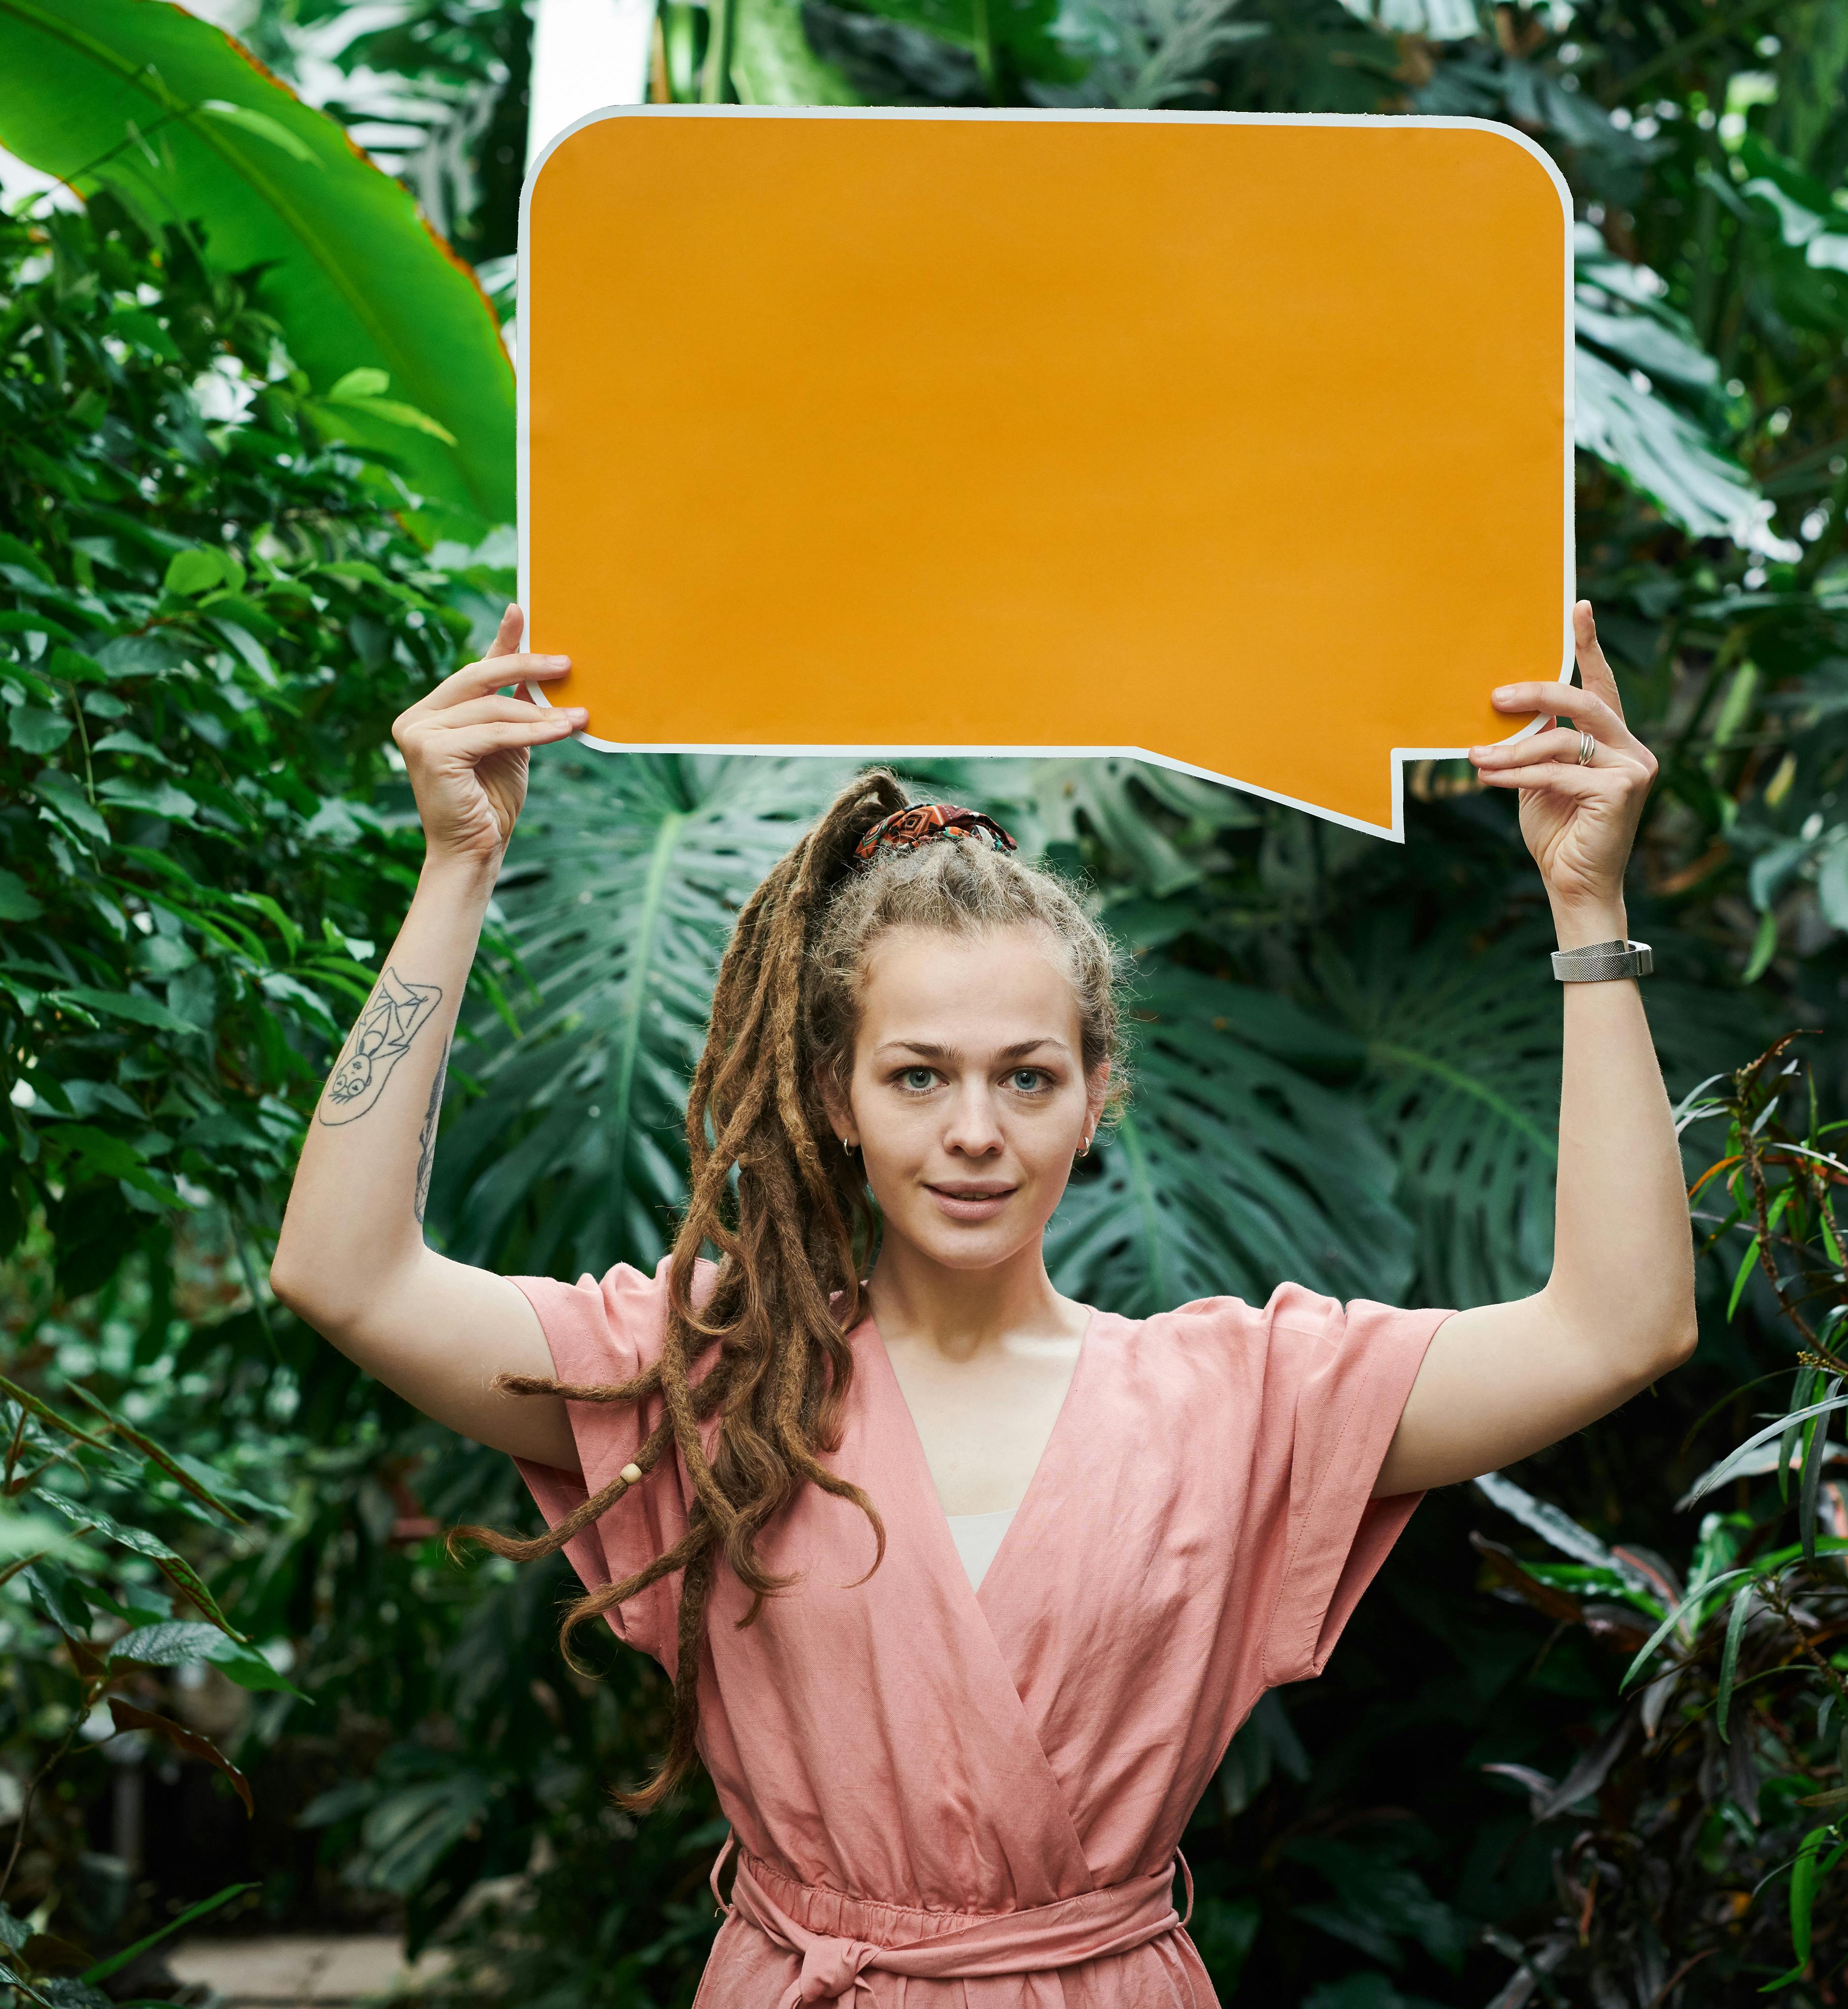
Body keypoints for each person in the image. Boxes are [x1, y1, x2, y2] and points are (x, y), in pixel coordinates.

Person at [269, 602, 1697, 2007]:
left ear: (1093, 1103)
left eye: (1026, 1076)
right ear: (835, 1098)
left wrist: (1590, 909)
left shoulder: (1241, 1398)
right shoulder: (713, 1373)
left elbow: (1616, 1326)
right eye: (917, 1076)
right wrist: (460, 864)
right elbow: (345, 1273)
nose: (974, 1130)